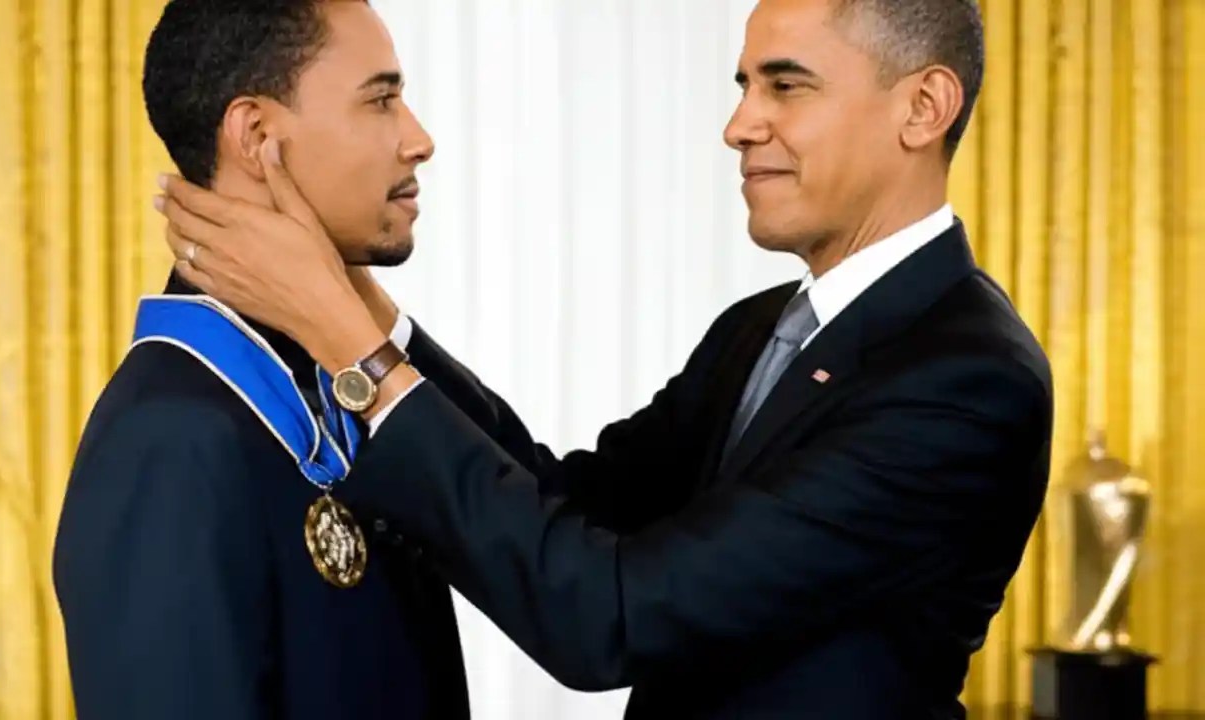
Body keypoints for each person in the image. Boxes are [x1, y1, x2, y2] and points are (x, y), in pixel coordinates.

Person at [158, 0, 1054, 716]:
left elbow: (606, 614)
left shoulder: (965, 379)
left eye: (787, 86)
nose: (739, 124)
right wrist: (372, 318)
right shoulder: (761, 327)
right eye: (744, 84)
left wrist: (346, 345)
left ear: (923, 107)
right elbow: (565, 502)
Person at [52, 1, 470, 718]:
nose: (419, 139)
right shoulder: (169, 440)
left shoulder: (331, 384)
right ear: (256, 137)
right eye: (381, 100)